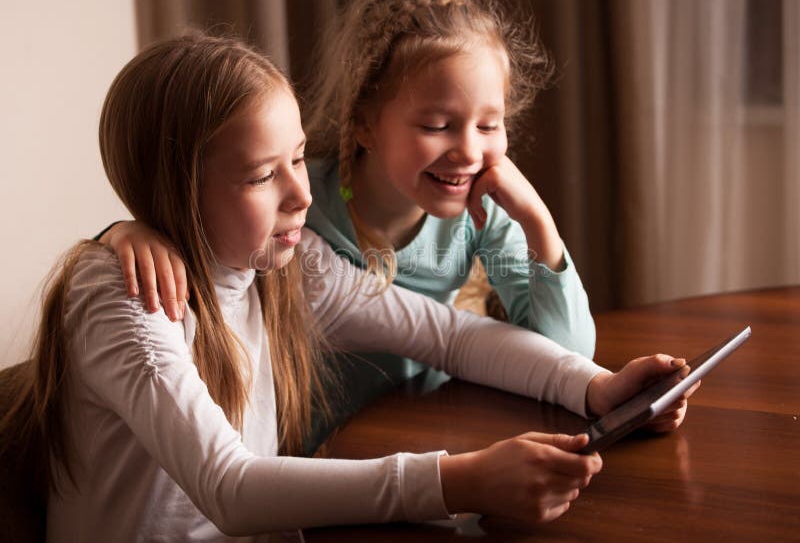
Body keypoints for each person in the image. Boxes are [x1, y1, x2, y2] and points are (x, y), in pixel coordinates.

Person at [0, 33, 697, 541]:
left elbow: (448, 334)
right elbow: (230, 487)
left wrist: (593, 386)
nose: (302, 193)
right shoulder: (123, 292)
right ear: (176, 190)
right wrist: (460, 478)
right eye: (260, 175)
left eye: (299, 157)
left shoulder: (288, 266)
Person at [101, 0, 596, 361]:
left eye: (489, 127)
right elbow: (207, 237)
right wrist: (126, 231)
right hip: (320, 460)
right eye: (437, 126)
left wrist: (538, 222)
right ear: (364, 125)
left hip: (428, 441)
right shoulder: (300, 202)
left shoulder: (483, 217)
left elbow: (568, 354)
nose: (468, 152)